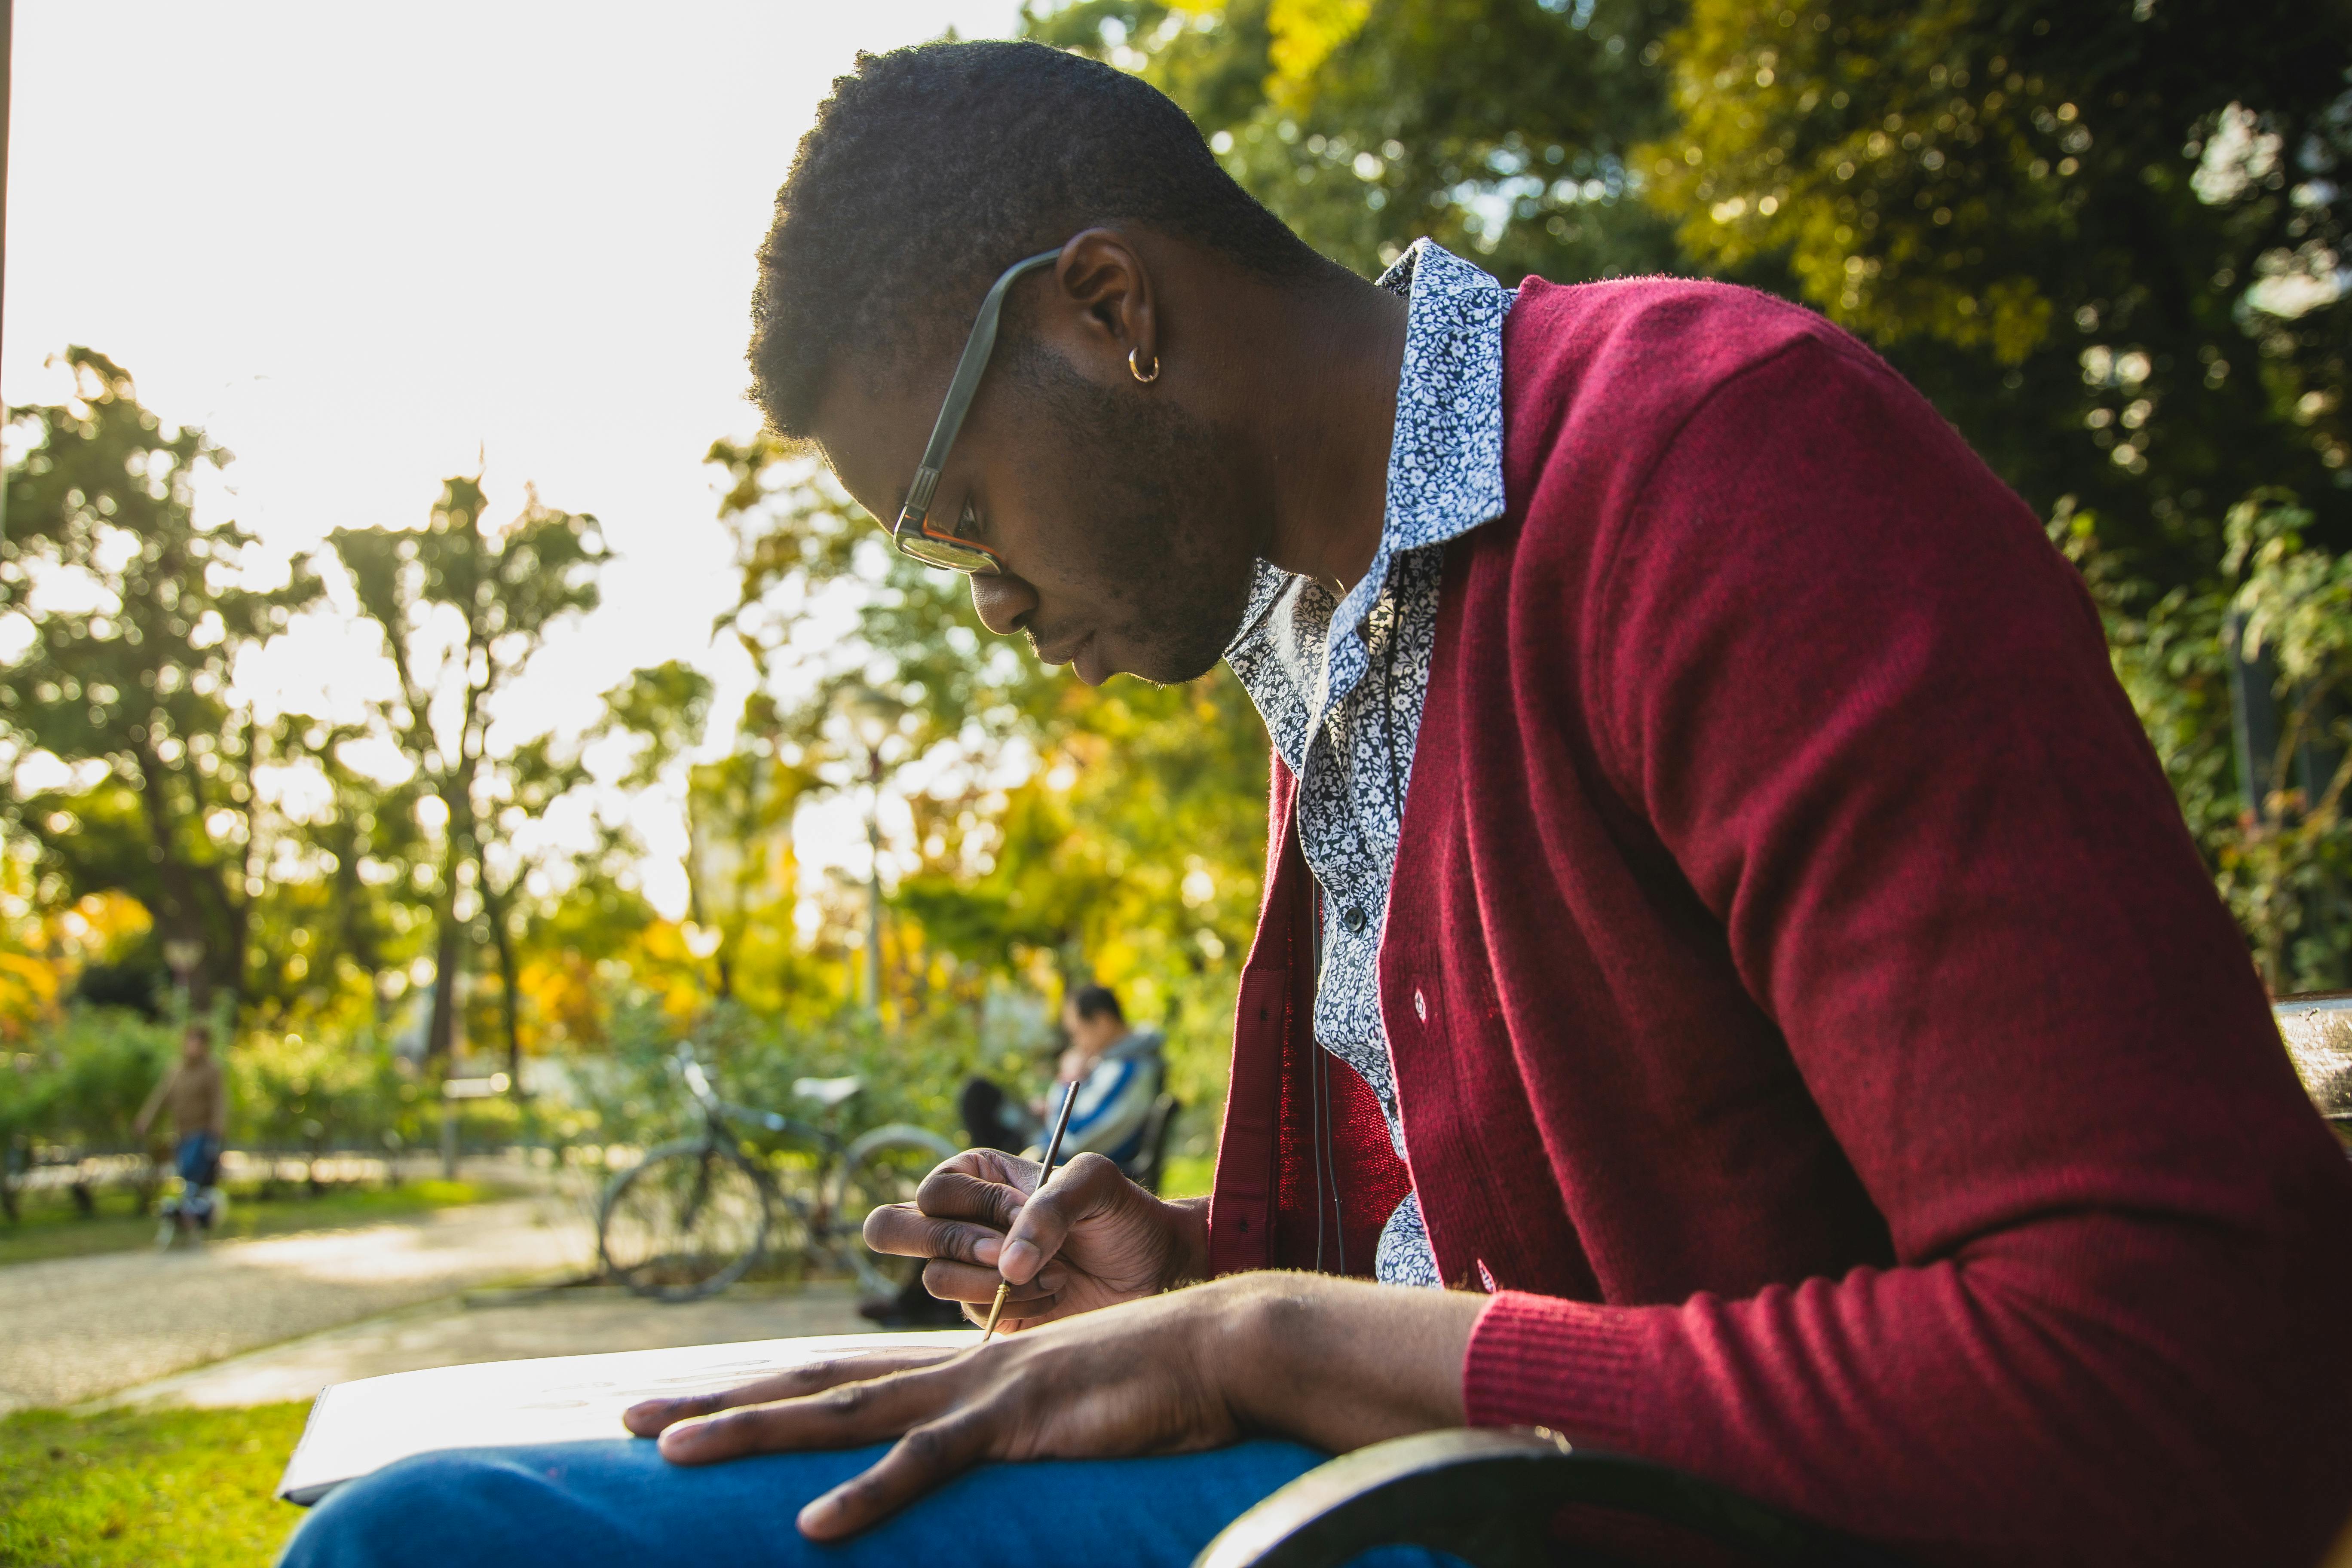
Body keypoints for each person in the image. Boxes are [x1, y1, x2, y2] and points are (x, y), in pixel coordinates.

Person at [281, 38, 2352, 1568]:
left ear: (1111, 311)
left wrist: (1271, 1335)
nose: (992, 599)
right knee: (455, 1491)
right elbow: (1501, 1256)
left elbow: (2197, 1384)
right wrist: (1189, 1274)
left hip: (1595, 1535)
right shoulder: (1320, 645)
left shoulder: (1718, 469)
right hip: (1444, 1502)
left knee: (430, 1546)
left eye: (961, 513)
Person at [962, 984, 1165, 1168]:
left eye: (1077, 1033)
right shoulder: (1115, 1064)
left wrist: (1067, 1082)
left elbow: (1072, 1137)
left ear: (1102, 1022)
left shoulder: (1129, 1070)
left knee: (978, 1097)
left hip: (1055, 1163)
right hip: (1051, 1153)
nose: (1076, 1044)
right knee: (981, 1093)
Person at [135, 1022, 228, 1238]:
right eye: (191, 1041)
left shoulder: (212, 1070)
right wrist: (146, 1120)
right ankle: (192, 1218)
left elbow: (219, 1102)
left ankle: (194, 1217)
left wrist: (218, 1129)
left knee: (193, 1172)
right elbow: (161, 1098)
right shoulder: (176, 1070)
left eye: (199, 1042)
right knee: (185, 1175)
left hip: (202, 1131)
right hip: (181, 1132)